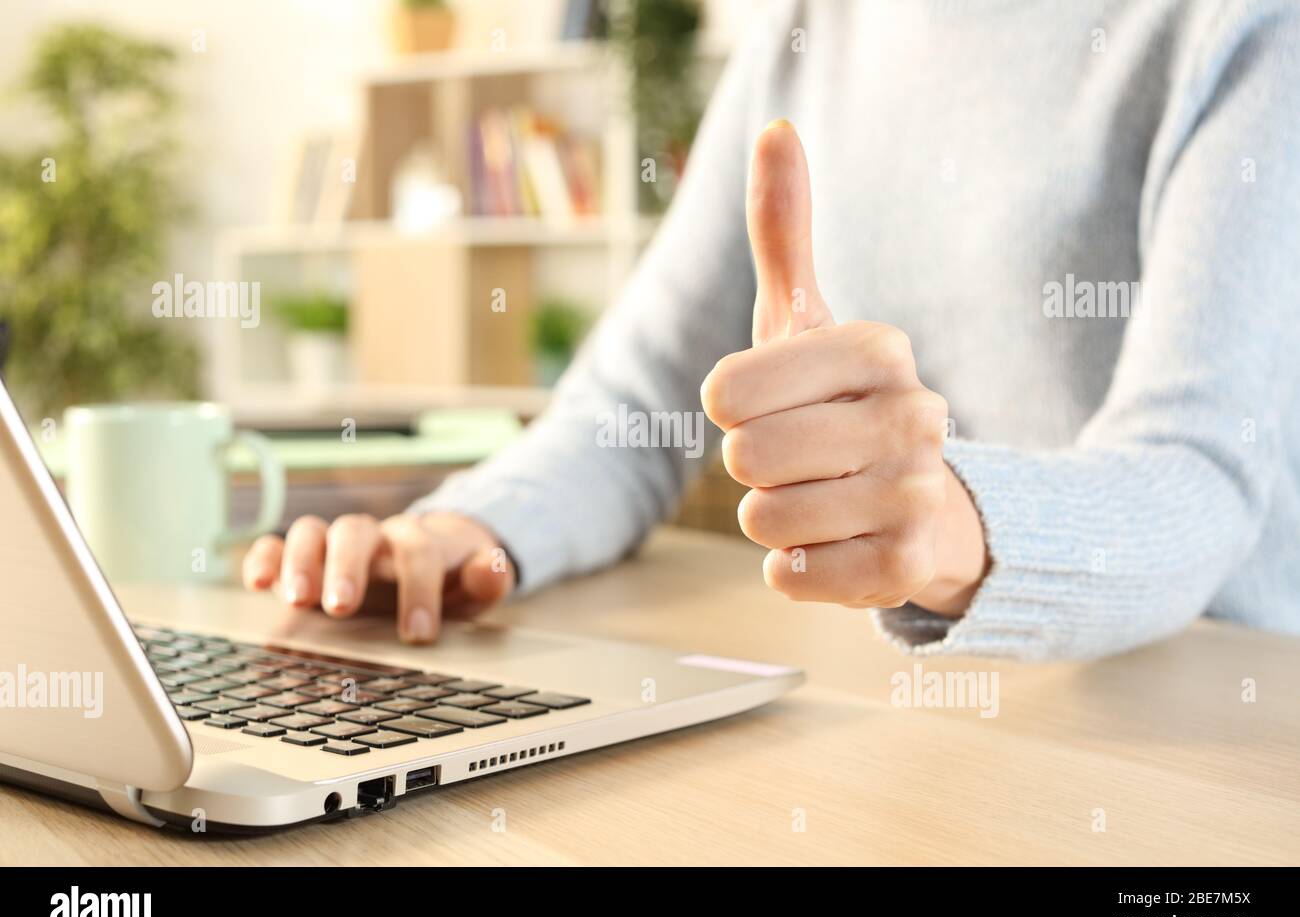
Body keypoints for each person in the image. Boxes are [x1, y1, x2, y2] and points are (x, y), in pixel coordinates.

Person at [243, 1, 1300, 660]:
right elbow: (636, 403)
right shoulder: (807, 27)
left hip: (1205, 720)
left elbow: (1200, 471)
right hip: (918, 716)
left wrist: (950, 525)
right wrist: (465, 531)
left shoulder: (1242, 27)